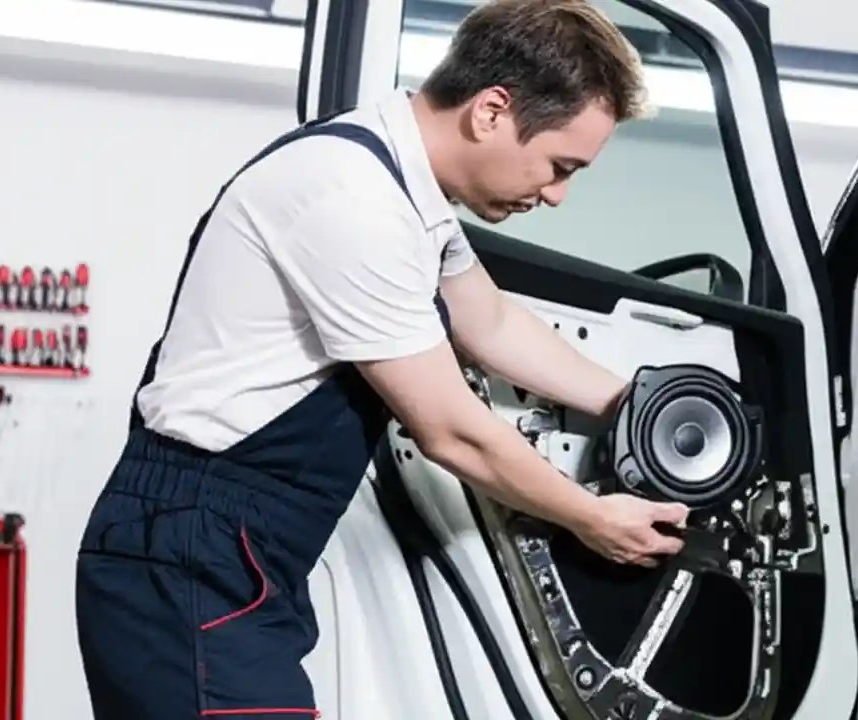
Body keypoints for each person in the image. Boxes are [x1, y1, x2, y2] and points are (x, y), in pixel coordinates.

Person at [74, 0, 691, 717]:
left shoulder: (405, 193)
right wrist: (591, 517)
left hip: (231, 553)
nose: (557, 195)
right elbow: (451, 431)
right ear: (492, 110)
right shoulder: (354, 198)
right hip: (189, 548)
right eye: (559, 166)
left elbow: (489, 324)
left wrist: (637, 406)